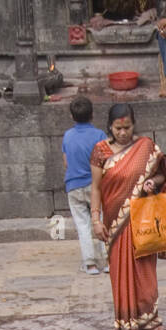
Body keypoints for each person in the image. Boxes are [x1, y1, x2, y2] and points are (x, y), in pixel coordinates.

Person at [90, 103, 166, 330]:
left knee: (145, 270)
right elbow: (95, 189)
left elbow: (162, 174)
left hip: (140, 220)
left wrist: (152, 183)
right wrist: (95, 220)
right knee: (120, 272)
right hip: (113, 224)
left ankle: (150, 319)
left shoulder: (145, 146)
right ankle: (126, 322)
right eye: (118, 128)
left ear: (134, 125)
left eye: (127, 127)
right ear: (110, 127)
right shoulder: (100, 151)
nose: (123, 133)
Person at [62, 96, 107, 275]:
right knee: (103, 221)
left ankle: (90, 264)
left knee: (83, 225)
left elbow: (66, 162)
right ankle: (109, 260)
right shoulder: (99, 135)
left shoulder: (67, 136)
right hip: (96, 185)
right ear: (92, 115)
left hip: (73, 186)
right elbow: (106, 161)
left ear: (72, 117)